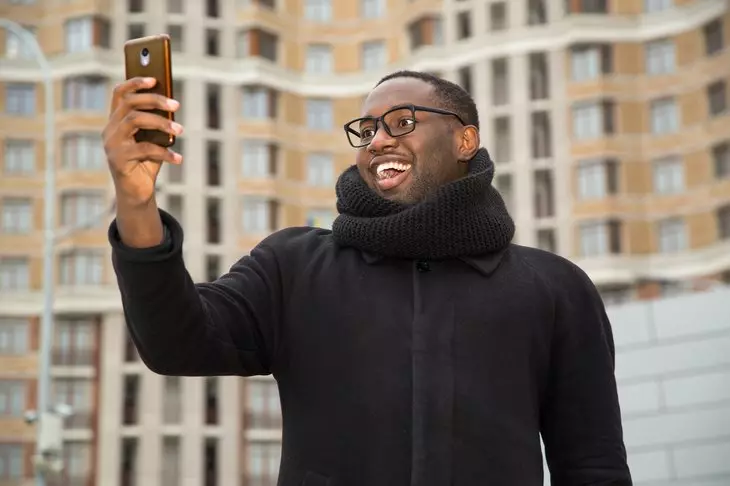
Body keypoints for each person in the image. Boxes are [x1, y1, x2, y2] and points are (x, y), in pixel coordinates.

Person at [103, 70, 633, 485]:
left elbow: (593, 468)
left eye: (402, 122)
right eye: (367, 129)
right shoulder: (295, 266)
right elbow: (176, 342)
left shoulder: (555, 288)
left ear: (465, 139)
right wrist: (135, 199)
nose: (377, 139)